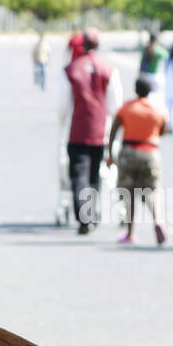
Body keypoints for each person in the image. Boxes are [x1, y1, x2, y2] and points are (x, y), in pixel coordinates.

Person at [58, 27, 124, 234]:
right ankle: (91, 213)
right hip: (101, 131)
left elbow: (61, 106)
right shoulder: (108, 69)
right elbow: (115, 104)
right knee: (95, 176)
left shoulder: (70, 69)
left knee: (79, 174)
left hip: (77, 130)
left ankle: (84, 218)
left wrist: (63, 125)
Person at [108, 75, 169, 245]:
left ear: (135, 90)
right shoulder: (157, 109)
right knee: (151, 190)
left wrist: (110, 153)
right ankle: (157, 220)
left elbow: (114, 128)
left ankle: (130, 233)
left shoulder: (127, 107)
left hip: (129, 151)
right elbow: (163, 129)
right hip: (150, 151)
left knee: (129, 193)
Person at [139, 32, 167, 101]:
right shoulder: (159, 49)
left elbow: (142, 63)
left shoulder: (146, 49)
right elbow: (166, 56)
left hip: (146, 75)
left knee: (148, 96)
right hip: (156, 75)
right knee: (157, 96)